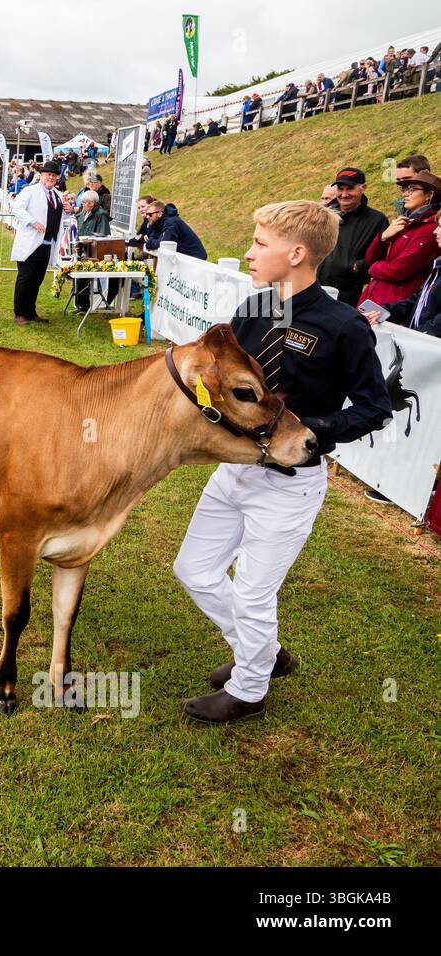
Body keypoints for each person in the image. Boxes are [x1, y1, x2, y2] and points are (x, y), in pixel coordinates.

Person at [174, 200, 391, 724]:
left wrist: (314, 433)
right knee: (194, 570)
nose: (248, 253)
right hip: (234, 469)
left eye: (260, 244)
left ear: (296, 253)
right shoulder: (251, 312)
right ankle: (264, 654)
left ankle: (249, 690)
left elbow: (375, 408)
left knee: (252, 593)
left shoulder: (344, 326)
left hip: (290, 483)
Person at [360, 170, 441, 307]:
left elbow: (398, 270)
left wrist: (374, 267)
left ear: (429, 194)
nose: (405, 194)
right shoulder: (405, 222)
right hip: (373, 298)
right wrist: (383, 237)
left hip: (394, 305)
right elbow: (370, 258)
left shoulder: (429, 229)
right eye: (406, 189)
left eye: (412, 189)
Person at [315, 166, 388, 305]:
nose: (344, 194)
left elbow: (381, 254)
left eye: (350, 189)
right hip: (312, 285)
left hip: (345, 293)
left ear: (363, 188)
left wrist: (359, 266)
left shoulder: (377, 220)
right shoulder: (323, 213)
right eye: (340, 189)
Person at [9, 159, 64, 326]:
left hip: (47, 244)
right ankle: (19, 312)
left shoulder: (58, 195)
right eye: (49, 174)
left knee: (37, 280)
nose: (51, 178)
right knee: (25, 278)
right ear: (42, 175)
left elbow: (58, 215)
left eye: (54, 175)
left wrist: (69, 210)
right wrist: (32, 222)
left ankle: (31, 311)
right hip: (31, 243)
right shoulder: (30, 191)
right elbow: (16, 208)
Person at [142, 199, 207, 259]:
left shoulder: (171, 222)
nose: (147, 217)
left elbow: (163, 244)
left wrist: (150, 242)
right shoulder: (158, 223)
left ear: (159, 213)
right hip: (185, 258)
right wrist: (150, 241)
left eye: (150, 214)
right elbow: (152, 237)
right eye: (147, 214)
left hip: (195, 259)